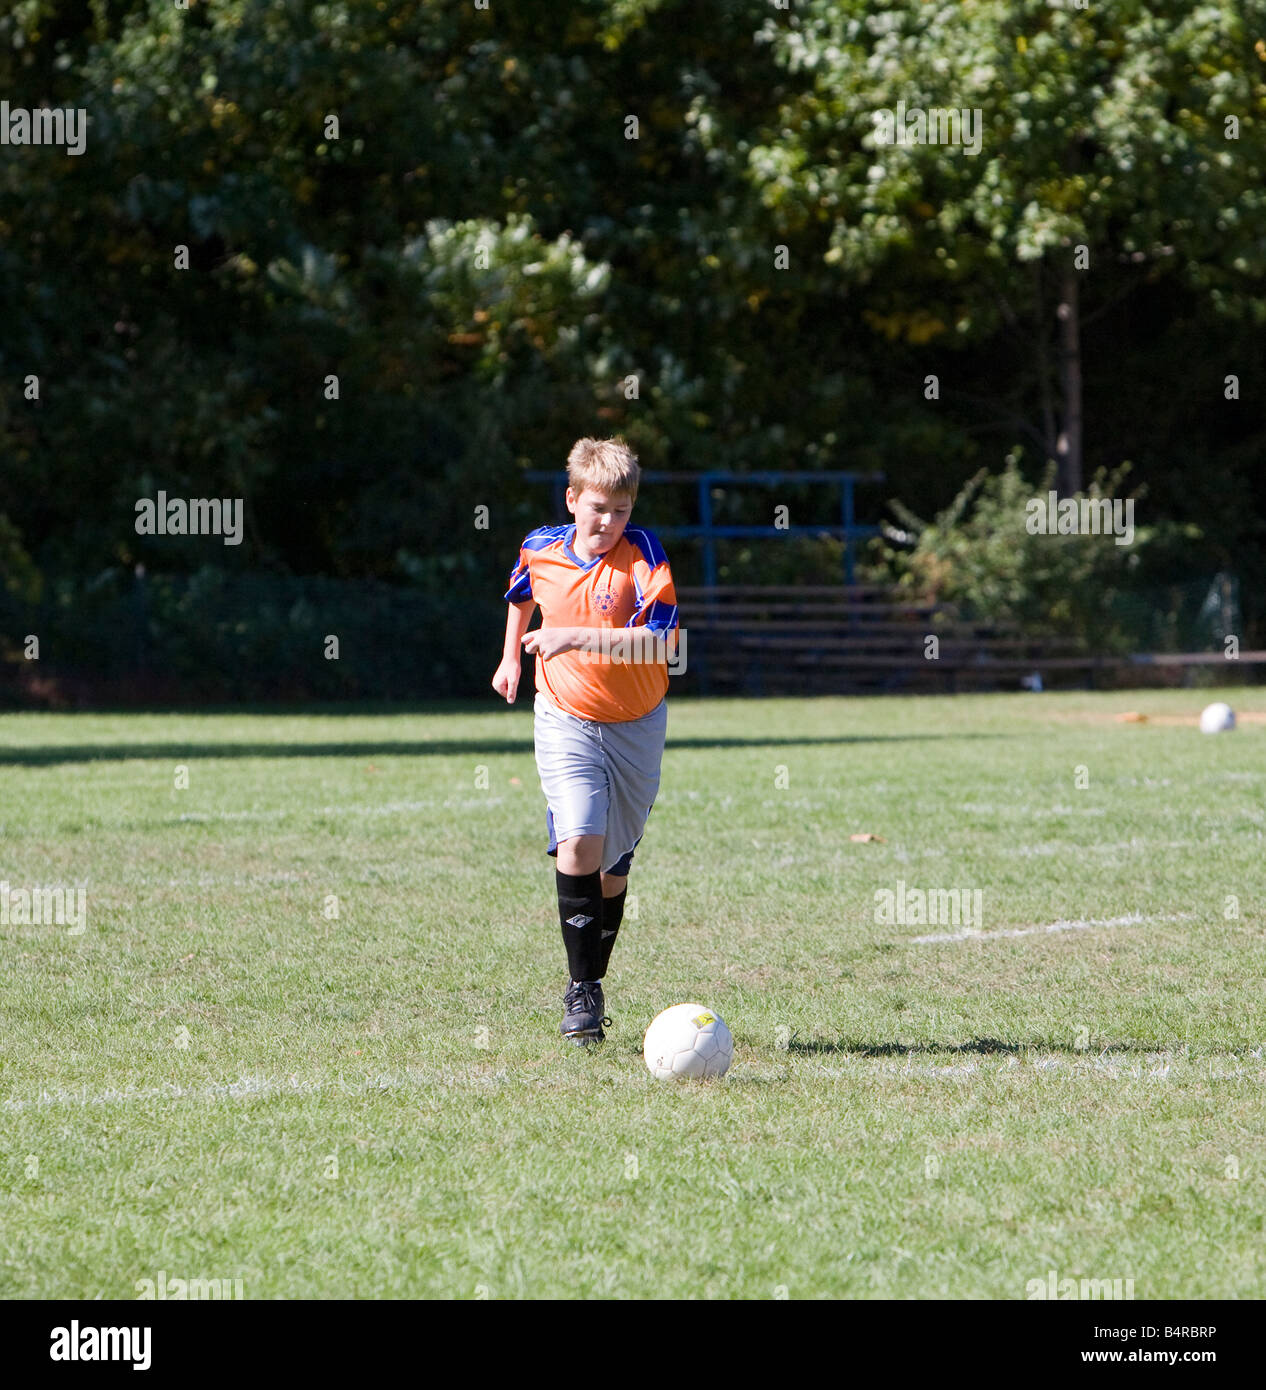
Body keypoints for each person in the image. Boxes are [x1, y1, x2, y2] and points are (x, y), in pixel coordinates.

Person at [492, 437, 679, 1044]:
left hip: (638, 724)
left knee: (614, 869)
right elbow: (522, 597)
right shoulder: (539, 547)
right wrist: (510, 660)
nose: (608, 521)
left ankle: (593, 978)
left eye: (621, 510)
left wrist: (573, 637)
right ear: (572, 499)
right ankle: (582, 994)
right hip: (565, 714)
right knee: (578, 842)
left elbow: (662, 642)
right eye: (597, 507)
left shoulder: (643, 554)